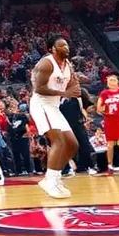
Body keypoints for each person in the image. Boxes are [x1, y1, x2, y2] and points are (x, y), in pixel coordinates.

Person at [29, 35, 80, 199]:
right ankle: (50, 181)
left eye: (67, 45)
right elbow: (38, 88)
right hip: (41, 104)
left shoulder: (67, 65)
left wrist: (78, 85)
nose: (66, 48)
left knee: (72, 145)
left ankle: (54, 177)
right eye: (62, 45)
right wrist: (64, 93)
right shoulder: (46, 63)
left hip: (54, 106)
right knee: (58, 141)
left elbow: (72, 83)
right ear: (52, 48)